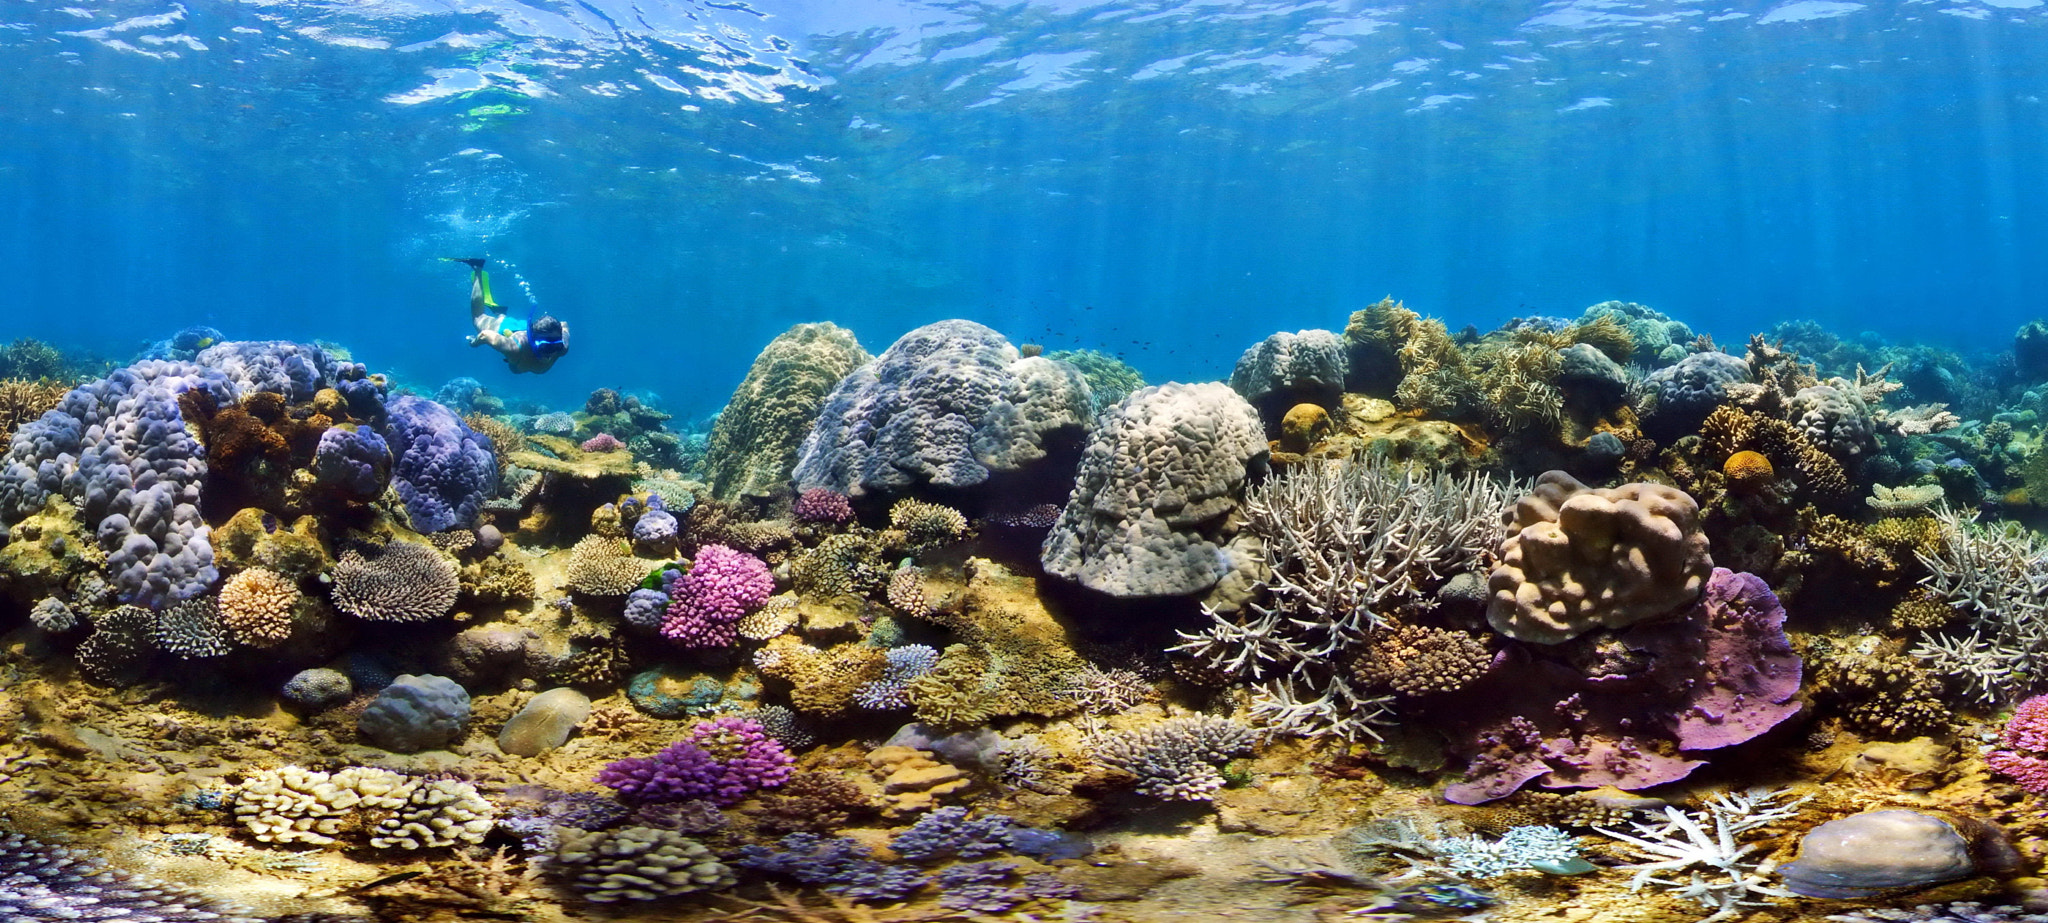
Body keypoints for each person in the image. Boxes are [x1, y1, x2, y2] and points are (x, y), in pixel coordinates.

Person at [446, 257, 569, 374]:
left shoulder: (562, 347)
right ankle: (477, 267)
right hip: (510, 331)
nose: (550, 354)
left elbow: (564, 324)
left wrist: (550, 331)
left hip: (526, 328)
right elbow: (484, 335)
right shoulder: (513, 348)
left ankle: (500, 313)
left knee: (503, 324)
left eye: (555, 347)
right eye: (545, 348)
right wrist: (473, 343)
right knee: (478, 319)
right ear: (532, 340)